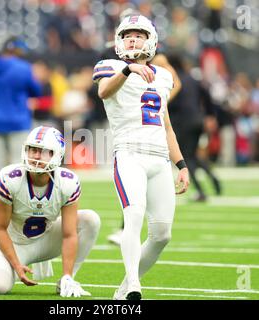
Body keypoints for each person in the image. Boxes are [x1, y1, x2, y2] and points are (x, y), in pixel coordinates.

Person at [93, 15, 189, 300]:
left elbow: (166, 125)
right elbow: (103, 91)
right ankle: (135, 284)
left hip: (160, 160)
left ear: (152, 41)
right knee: (133, 216)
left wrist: (181, 165)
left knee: (162, 235)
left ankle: (124, 288)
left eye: (139, 35)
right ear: (118, 41)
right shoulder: (111, 67)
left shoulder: (163, 76)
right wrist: (129, 71)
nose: (132, 39)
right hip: (129, 153)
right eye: (127, 35)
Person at [0, 126, 100, 297]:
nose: (36, 156)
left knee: (90, 219)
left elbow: (69, 234)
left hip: (47, 239)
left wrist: (67, 274)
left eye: (43, 151)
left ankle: (67, 281)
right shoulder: (10, 178)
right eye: (32, 150)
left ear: (57, 154)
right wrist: (15, 265)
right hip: (16, 244)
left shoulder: (67, 182)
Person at [0, 37, 42, 219]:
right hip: (18, 121)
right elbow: (36, 90)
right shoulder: (24, 68)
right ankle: (19, 205)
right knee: (20, 165)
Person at [168, 54, 221, 201]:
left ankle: (200, 191)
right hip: (198, 120)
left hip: (182, 122)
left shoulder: (173, 80)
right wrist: (210, 115)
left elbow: (172, 104)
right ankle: (212, 177)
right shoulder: (192, 78)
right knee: (193, 154)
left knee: (185, 157)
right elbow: (207, 94)